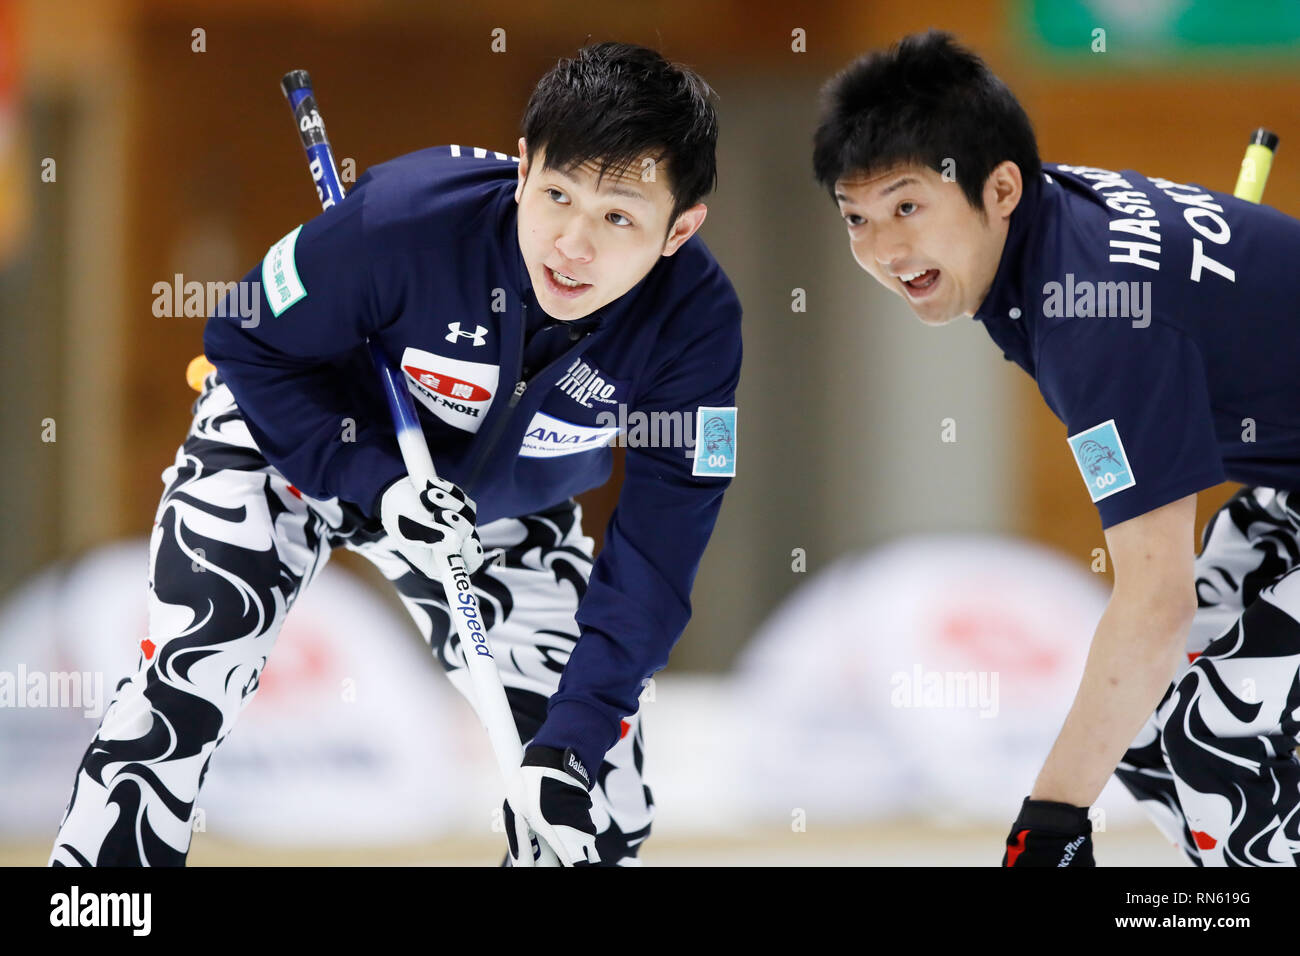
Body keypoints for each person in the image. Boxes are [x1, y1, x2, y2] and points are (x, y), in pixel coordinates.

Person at [49, 41, 741, 867]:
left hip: (497, 510)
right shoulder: (400, 221)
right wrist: (374, 483)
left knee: (588, 793)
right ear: (522, 168)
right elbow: (244, 340)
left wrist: (574, 738)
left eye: (619, 216)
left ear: (681, 229)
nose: (573, 245)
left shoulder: (698, 329)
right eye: (557, 195)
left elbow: (659, 556)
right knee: (188, 681)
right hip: (291, 444)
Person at [813, 29, 1300, 866]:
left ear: (999, 188)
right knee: (1147, 723)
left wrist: (1049, 820)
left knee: (1223, 727)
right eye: (857, 219)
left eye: (907, 206)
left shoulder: (1091, 313)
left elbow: (1156, 603)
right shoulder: (1049, 230)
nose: (885, 250)